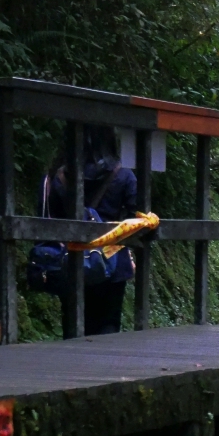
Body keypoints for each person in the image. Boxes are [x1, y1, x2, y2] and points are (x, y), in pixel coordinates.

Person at [41, 125, 137, 335]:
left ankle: (73, 363)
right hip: (112, 259)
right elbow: (135, 218)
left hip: (72, 256)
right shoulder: (124, 176)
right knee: (108, 323)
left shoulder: (60, 176)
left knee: (73, 322)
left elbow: (53, 217)